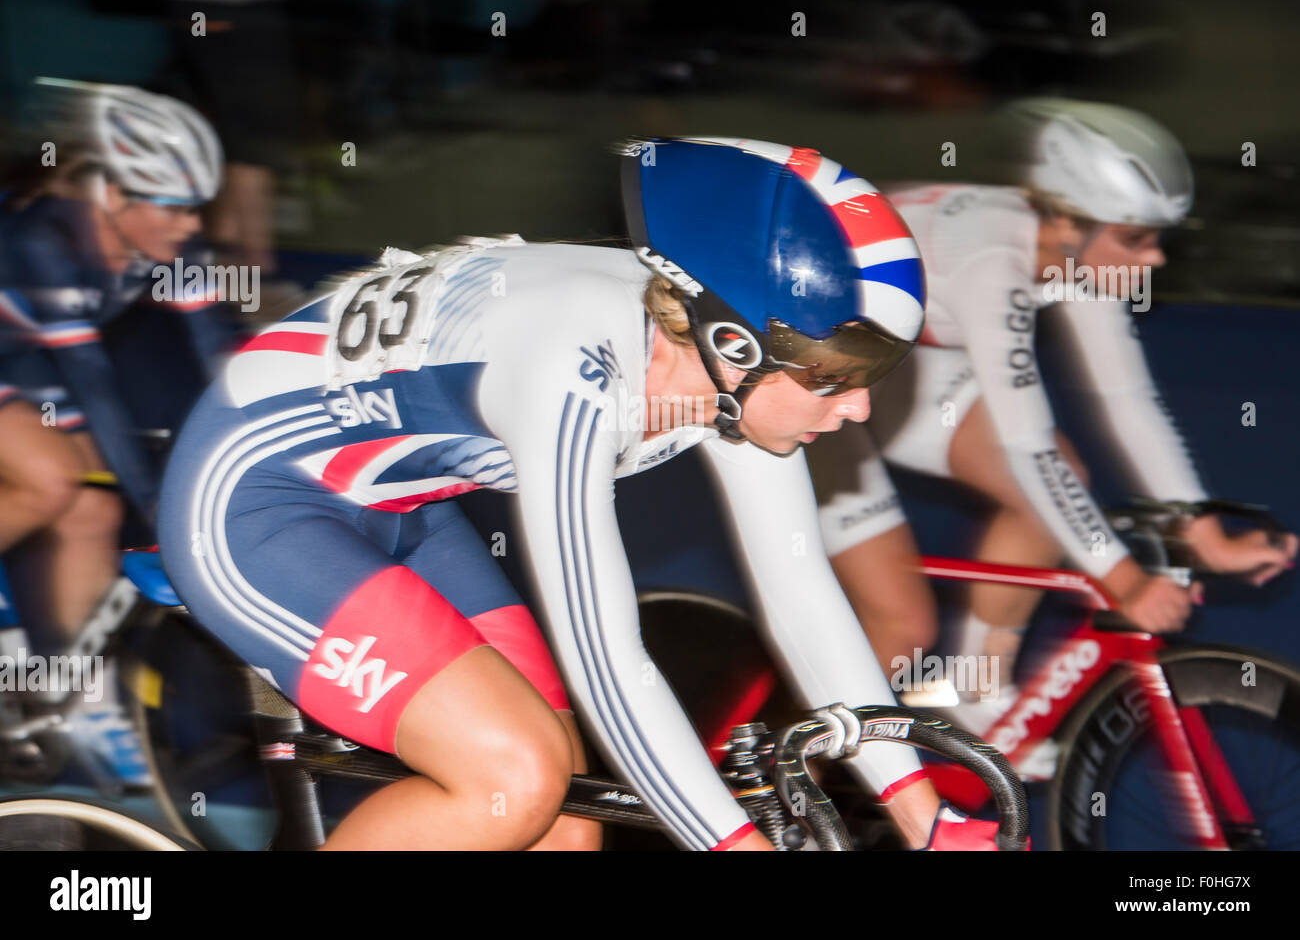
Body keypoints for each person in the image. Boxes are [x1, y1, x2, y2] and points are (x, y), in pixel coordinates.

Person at [156, 136, 1003, 849]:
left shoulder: (717, 364)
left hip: (398, 503)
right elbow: (608, 661)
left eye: (871, 375)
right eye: (832, 375)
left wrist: (925, 816)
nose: (858, 406)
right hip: (255, 496)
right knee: (516, 777)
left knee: (567, 821)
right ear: (732, 342)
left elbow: (800, 592)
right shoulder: (573, 371)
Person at [805, 99, 1298, 733]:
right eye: (1136, 239)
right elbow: (1024, 444)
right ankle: (783, 783)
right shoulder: (994, 267)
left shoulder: (1071, 247)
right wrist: (1125, 580)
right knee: (903, 628)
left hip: (903, 364)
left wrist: (1196, 522)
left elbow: (1124, 397)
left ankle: (975, 689)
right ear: (1068, 222)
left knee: (1055, 481)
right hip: (812, 382)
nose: (1156, 262)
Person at [0, 79, 233, 782]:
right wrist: (162, 507)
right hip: (30, 368)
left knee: (94, 510)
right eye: (174, 207)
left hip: (18, 362)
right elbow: (95, 387)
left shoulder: (177, 251)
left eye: (198, 207)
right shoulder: (45, 241)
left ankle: (75, 697)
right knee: (52, 477)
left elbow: (220, 362)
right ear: (111, 194)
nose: (190, 226)